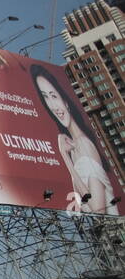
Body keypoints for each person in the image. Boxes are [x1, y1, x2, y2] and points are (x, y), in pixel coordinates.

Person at [31, 64, 120, 215]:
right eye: (46, 97)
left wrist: (65, 157)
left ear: (65, 101)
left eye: (54, 96)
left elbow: (97, 209)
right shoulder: (73, 145)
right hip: (103, 235)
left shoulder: (84, 145)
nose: (53, 106)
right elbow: (81, 204)